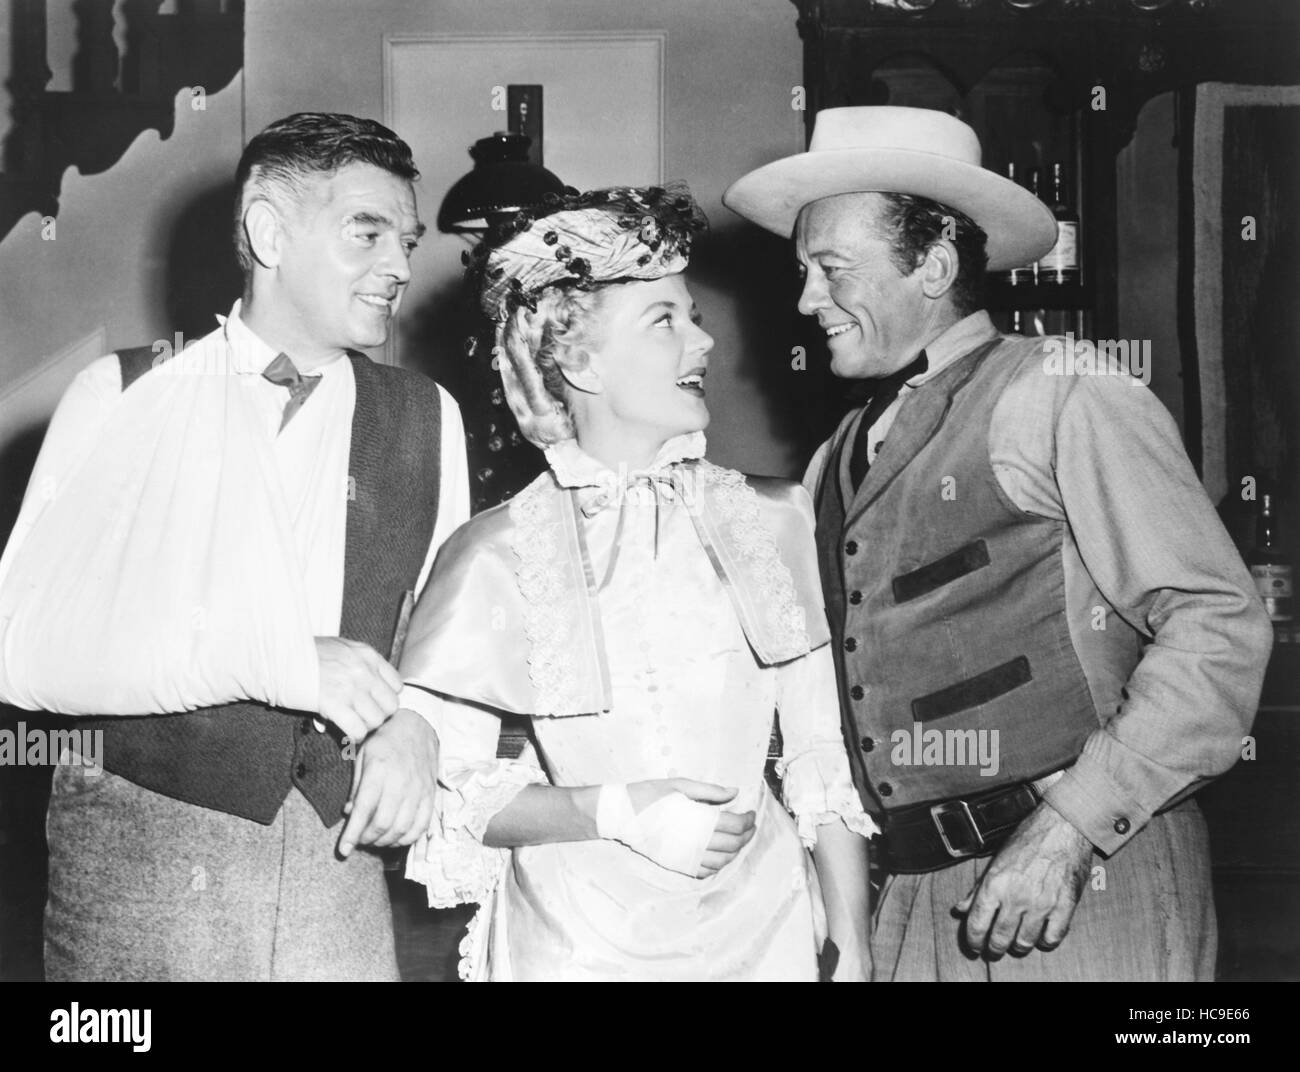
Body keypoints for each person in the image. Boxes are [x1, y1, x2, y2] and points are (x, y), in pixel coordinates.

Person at [723, 106, 1274, 981]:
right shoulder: (837, 454)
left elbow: (1218, 625)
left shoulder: (1064, 394)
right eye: (802, 273)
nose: (804, 302)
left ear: (934, 265)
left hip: (1079, 885)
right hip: (912, 895)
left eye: (831, 270)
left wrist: (1068, 834)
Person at [0, 113, 469, 980]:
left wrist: (421, 725)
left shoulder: (427, 417)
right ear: (267, 231)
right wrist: (279, 661)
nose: (400, 266)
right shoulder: (121, 393)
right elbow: (20, 648)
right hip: (143, 850)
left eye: (405, 239)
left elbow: (447, 637)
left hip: (339, 854)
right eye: (366, 232)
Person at [398, 185, 874, 981]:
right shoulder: (497, 550)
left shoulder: (775, 517)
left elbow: (822, 761)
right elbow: (456, 801)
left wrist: (852, 945)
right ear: (580, 361)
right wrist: (618, 814)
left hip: (766, 932)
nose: (703, 344)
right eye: (666, 322)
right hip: (573, 943)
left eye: (694, 315)